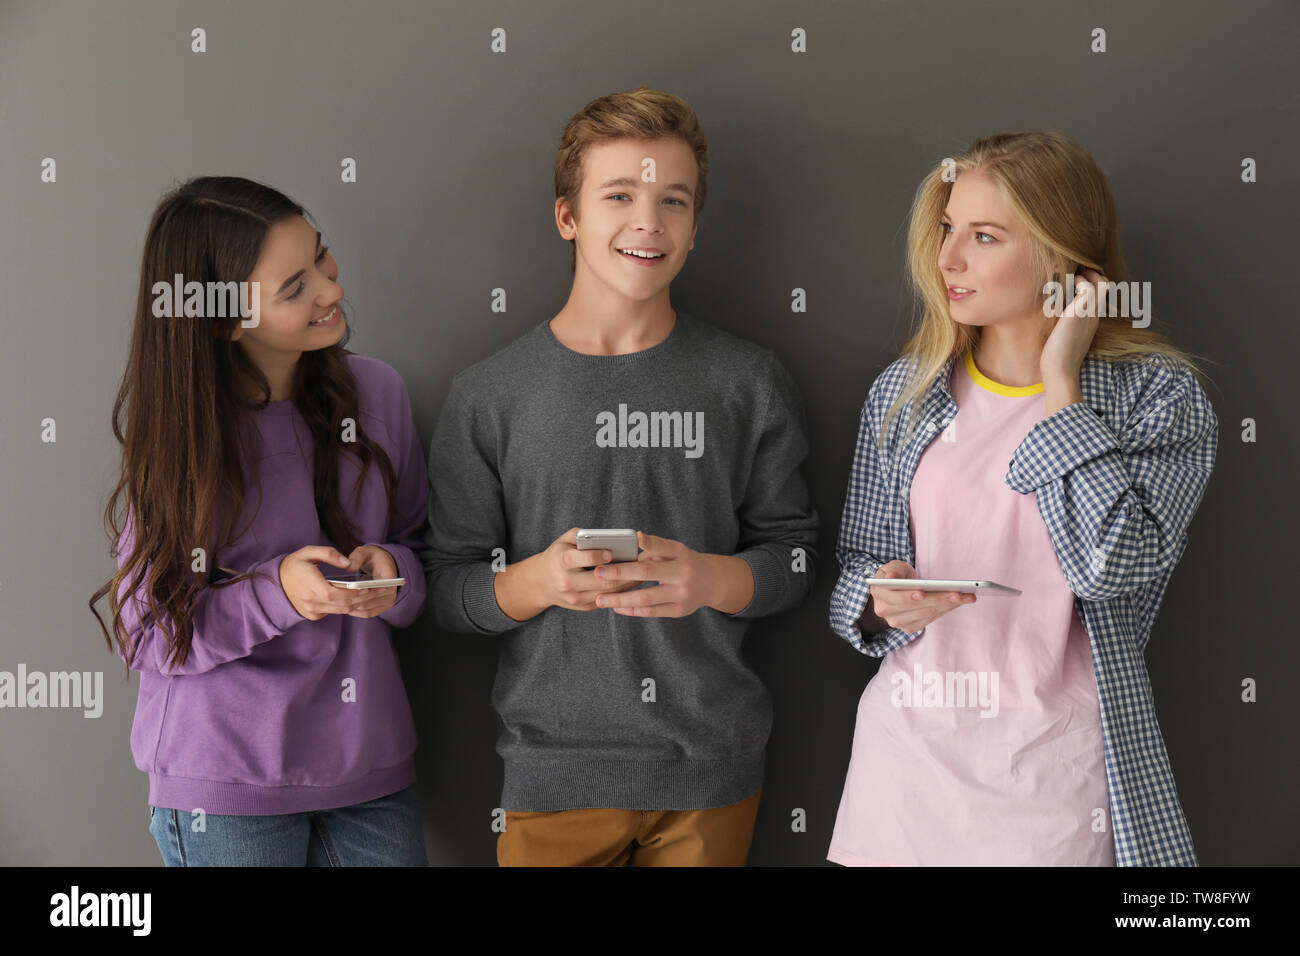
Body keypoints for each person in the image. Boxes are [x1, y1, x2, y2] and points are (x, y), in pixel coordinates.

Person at [423, 87, 819, 866]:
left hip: (711, 773)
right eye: (620, 195)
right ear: (568, 216)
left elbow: (795, 559)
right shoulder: (489, 396)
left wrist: (712, 578)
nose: (649, 221)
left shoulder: (749, 381)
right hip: (551, 776)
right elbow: (446, 589)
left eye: (674, 199)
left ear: (696, 226)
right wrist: (536, 582)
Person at [827, 131, 1218, 866]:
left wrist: (1061, 385)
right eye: (948, 230)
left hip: (1053, 781)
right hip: (902, 771)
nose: (948, 259)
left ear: (1061, 257)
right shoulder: (905, 393)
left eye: (984, 236)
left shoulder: (1158, 399)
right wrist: (879, 597)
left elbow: (1114, 565)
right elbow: (858, 567)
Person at [90, 176, 430, 866]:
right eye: (293, 287)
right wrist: (279, 593)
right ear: (224, 319)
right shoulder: (186, 441)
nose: (331, 290)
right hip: (224, 790)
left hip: (368, 770)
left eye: (321, 257)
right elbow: (149, 633)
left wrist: (395, 574)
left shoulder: (378, 393)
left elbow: (424, 548)